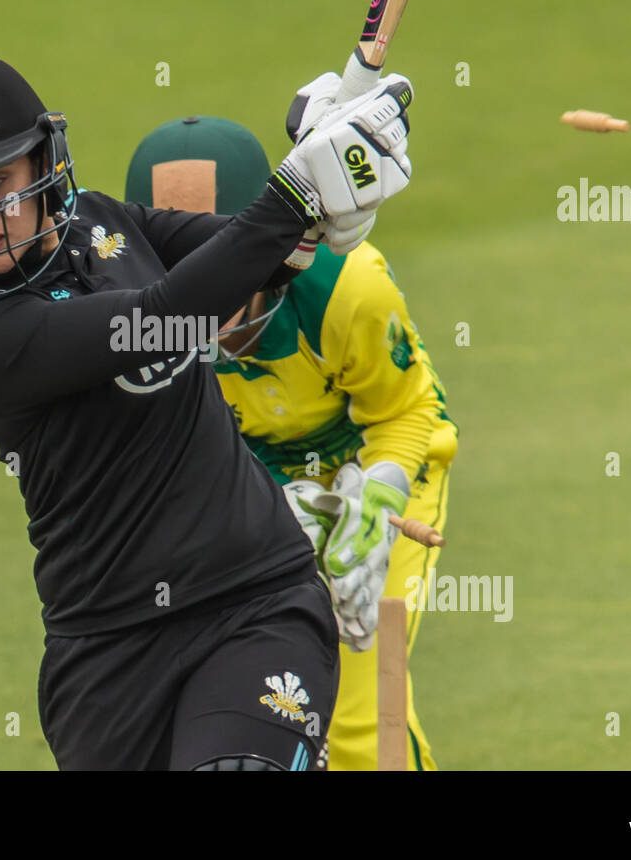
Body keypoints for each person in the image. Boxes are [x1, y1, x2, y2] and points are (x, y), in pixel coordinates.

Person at [0, 52, 415, 770]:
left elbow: (247, 259)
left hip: (254, 600)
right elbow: (165, 315)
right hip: (106, 654)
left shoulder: (105, 223)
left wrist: (319, 194)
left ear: (42, 162)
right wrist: (298, 190)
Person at [124, 108, 457, 771]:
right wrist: (265, 515)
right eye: (179, 263)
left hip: (384, 467)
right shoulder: (132, 319)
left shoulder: (346, 287)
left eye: (221, 259)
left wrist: (379, 509)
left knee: (360, 717)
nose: (203, 295)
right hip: (249, 492)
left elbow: (406, 414)